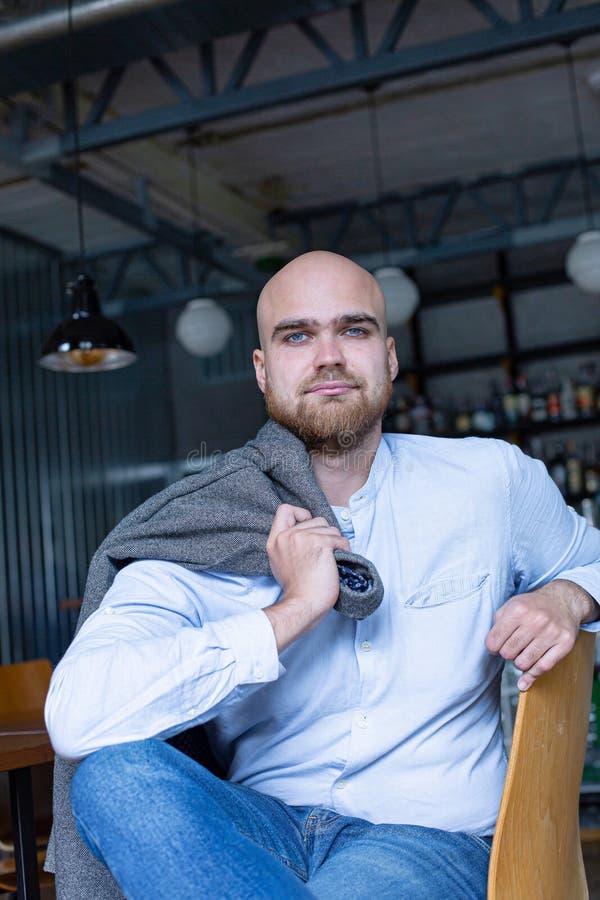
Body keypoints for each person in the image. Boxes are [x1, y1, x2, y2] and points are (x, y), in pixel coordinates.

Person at [45, 251, 600, 899]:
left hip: (425, 833)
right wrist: (296, 608)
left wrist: (569, 594)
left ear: (388, 357)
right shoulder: (200, 525)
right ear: (262, 369)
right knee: (115, 777)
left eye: (354, 330)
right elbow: (79, 716)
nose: (328, 355)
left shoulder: (488, 481)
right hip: (261, 826)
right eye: (298, 335)